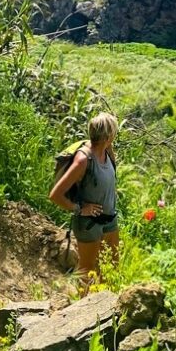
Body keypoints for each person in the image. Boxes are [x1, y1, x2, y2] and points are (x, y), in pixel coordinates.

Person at [49, 112, 119, 288]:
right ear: (108, 136)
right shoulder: (83, 160)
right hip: (89, 225)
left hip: (109, 220)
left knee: (111, 268)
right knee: (87, 271)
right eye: (114, 132)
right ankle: (82, 304)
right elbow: (55, 195)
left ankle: (106, 303)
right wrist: (80, 209)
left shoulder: (107, 151)